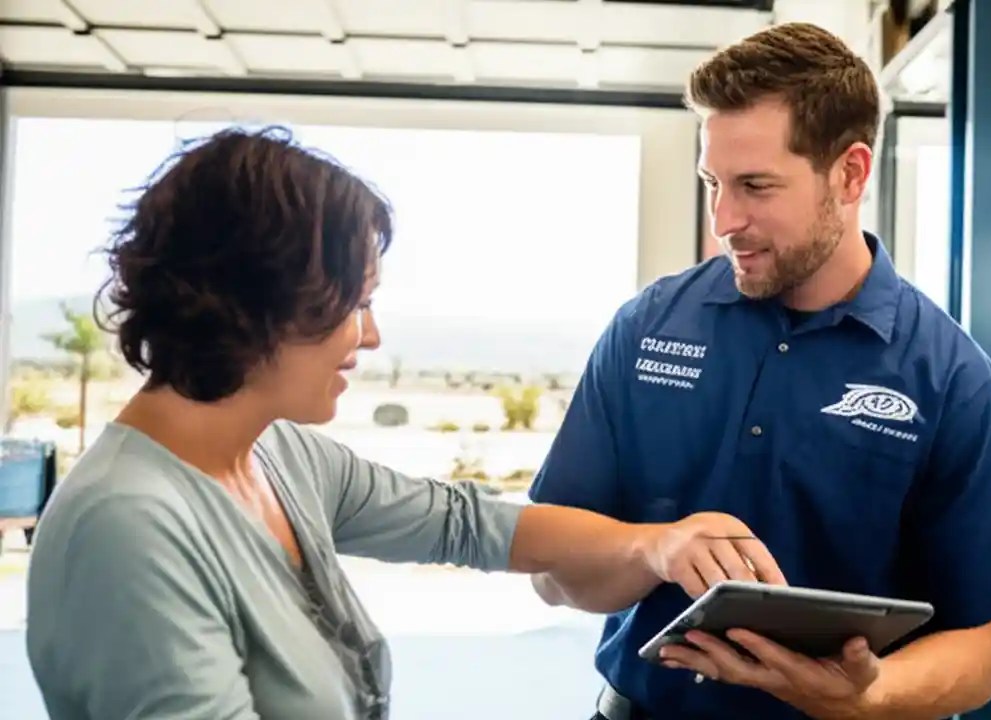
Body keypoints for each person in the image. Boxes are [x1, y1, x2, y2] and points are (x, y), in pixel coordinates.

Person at [22, 126, 787, 720]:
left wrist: (658, 543)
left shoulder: (278, 457)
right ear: (257, 302)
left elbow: (462, 523)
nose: (372, 335)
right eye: (356, 304)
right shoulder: (128, 526)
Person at [528, 22, 991, 720]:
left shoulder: (953, 382)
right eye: (713, 182)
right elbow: (555, 576)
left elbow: (980, 653)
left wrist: (868, 696)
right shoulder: (647, 328)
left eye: (755, 186)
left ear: (851, 174)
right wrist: (655, 549)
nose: (725, 219)